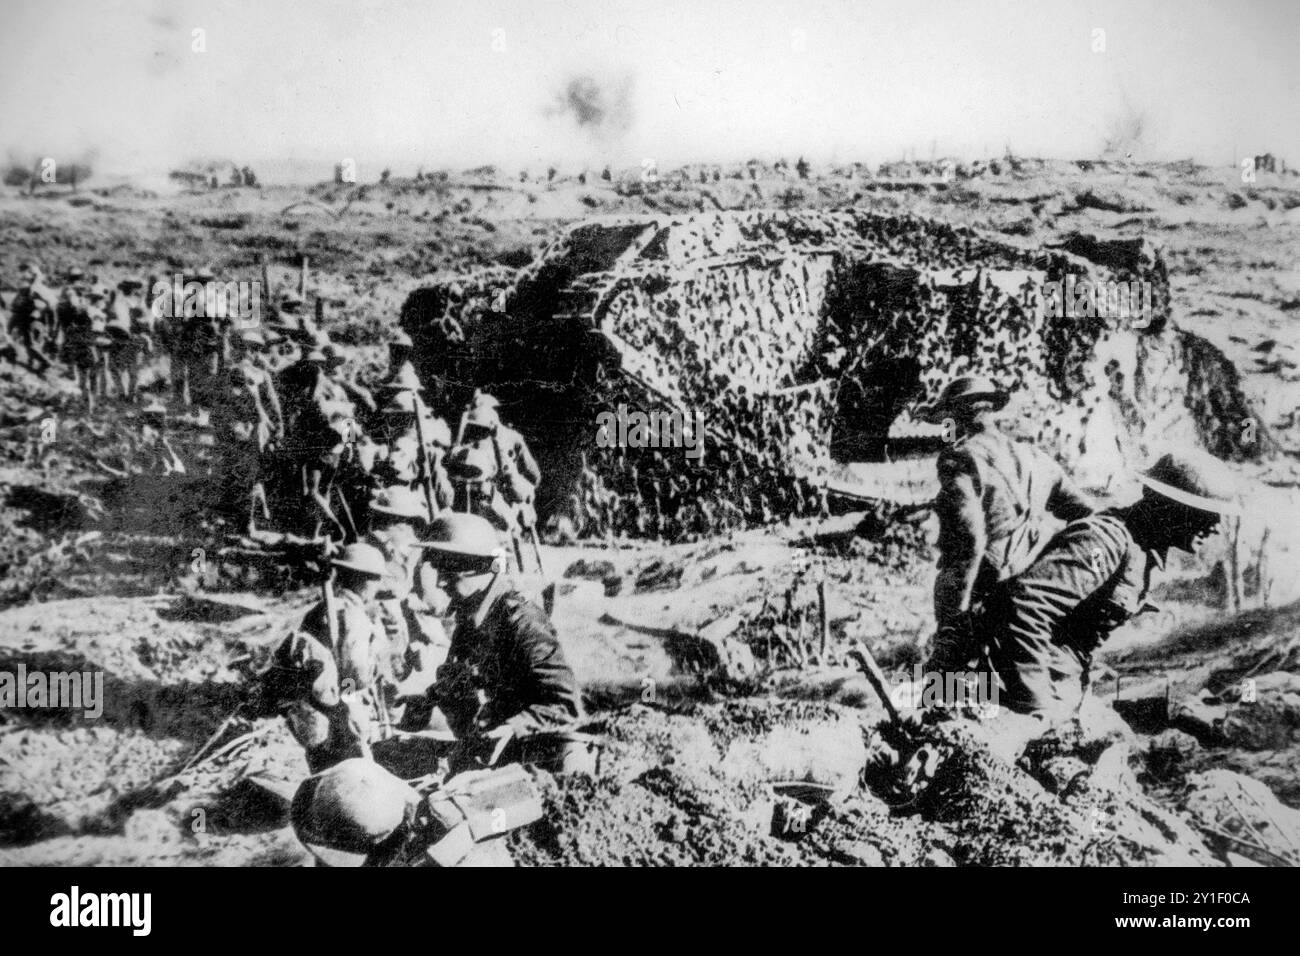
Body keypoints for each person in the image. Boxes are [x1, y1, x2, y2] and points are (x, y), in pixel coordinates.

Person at [953, 450, 1240, 720]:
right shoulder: (1105, 541)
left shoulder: (1140, 549)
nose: (1215, 524)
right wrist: (1036, 704)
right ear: (1171, 508)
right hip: (1008, 688)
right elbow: (1025, 609)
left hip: (1061, 680)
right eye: (1205, 512)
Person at [921, 376, 1094, 671]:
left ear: (957, 416)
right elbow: (1087, 514)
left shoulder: (959, 459)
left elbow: (971, 544)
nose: (945, 429)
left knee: (954, 664)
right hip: (1032, 580)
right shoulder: (1036, 457)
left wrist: (955, 618)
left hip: (983, 583)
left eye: (946, 420)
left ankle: (942, 702)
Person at [415, 513, 583, 768]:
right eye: (439, 570)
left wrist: (512, 726)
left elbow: (567, 705)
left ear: (484, 566)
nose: (441, 582)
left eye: (450, 570)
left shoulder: (522, 620)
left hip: (540, 752)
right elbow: (459, 678)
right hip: (498, 744)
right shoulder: (471, 612)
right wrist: (427, 700)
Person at [260, 542, 388, 772]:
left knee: (323, 773)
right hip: (340, 714)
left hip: (314, 713)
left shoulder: (323, 609)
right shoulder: (353, 617)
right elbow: (353, 676)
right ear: (366, 580)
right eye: (377, 578)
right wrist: (352, 707)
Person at [8, 261, 55, 373]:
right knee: (28, 344)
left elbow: (50, 305)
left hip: (31, 320)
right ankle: (36, 364)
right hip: (25, 320)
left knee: (31, 345)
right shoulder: (28, 288)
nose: (23, 275)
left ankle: (46, 363)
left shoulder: (35, 288)